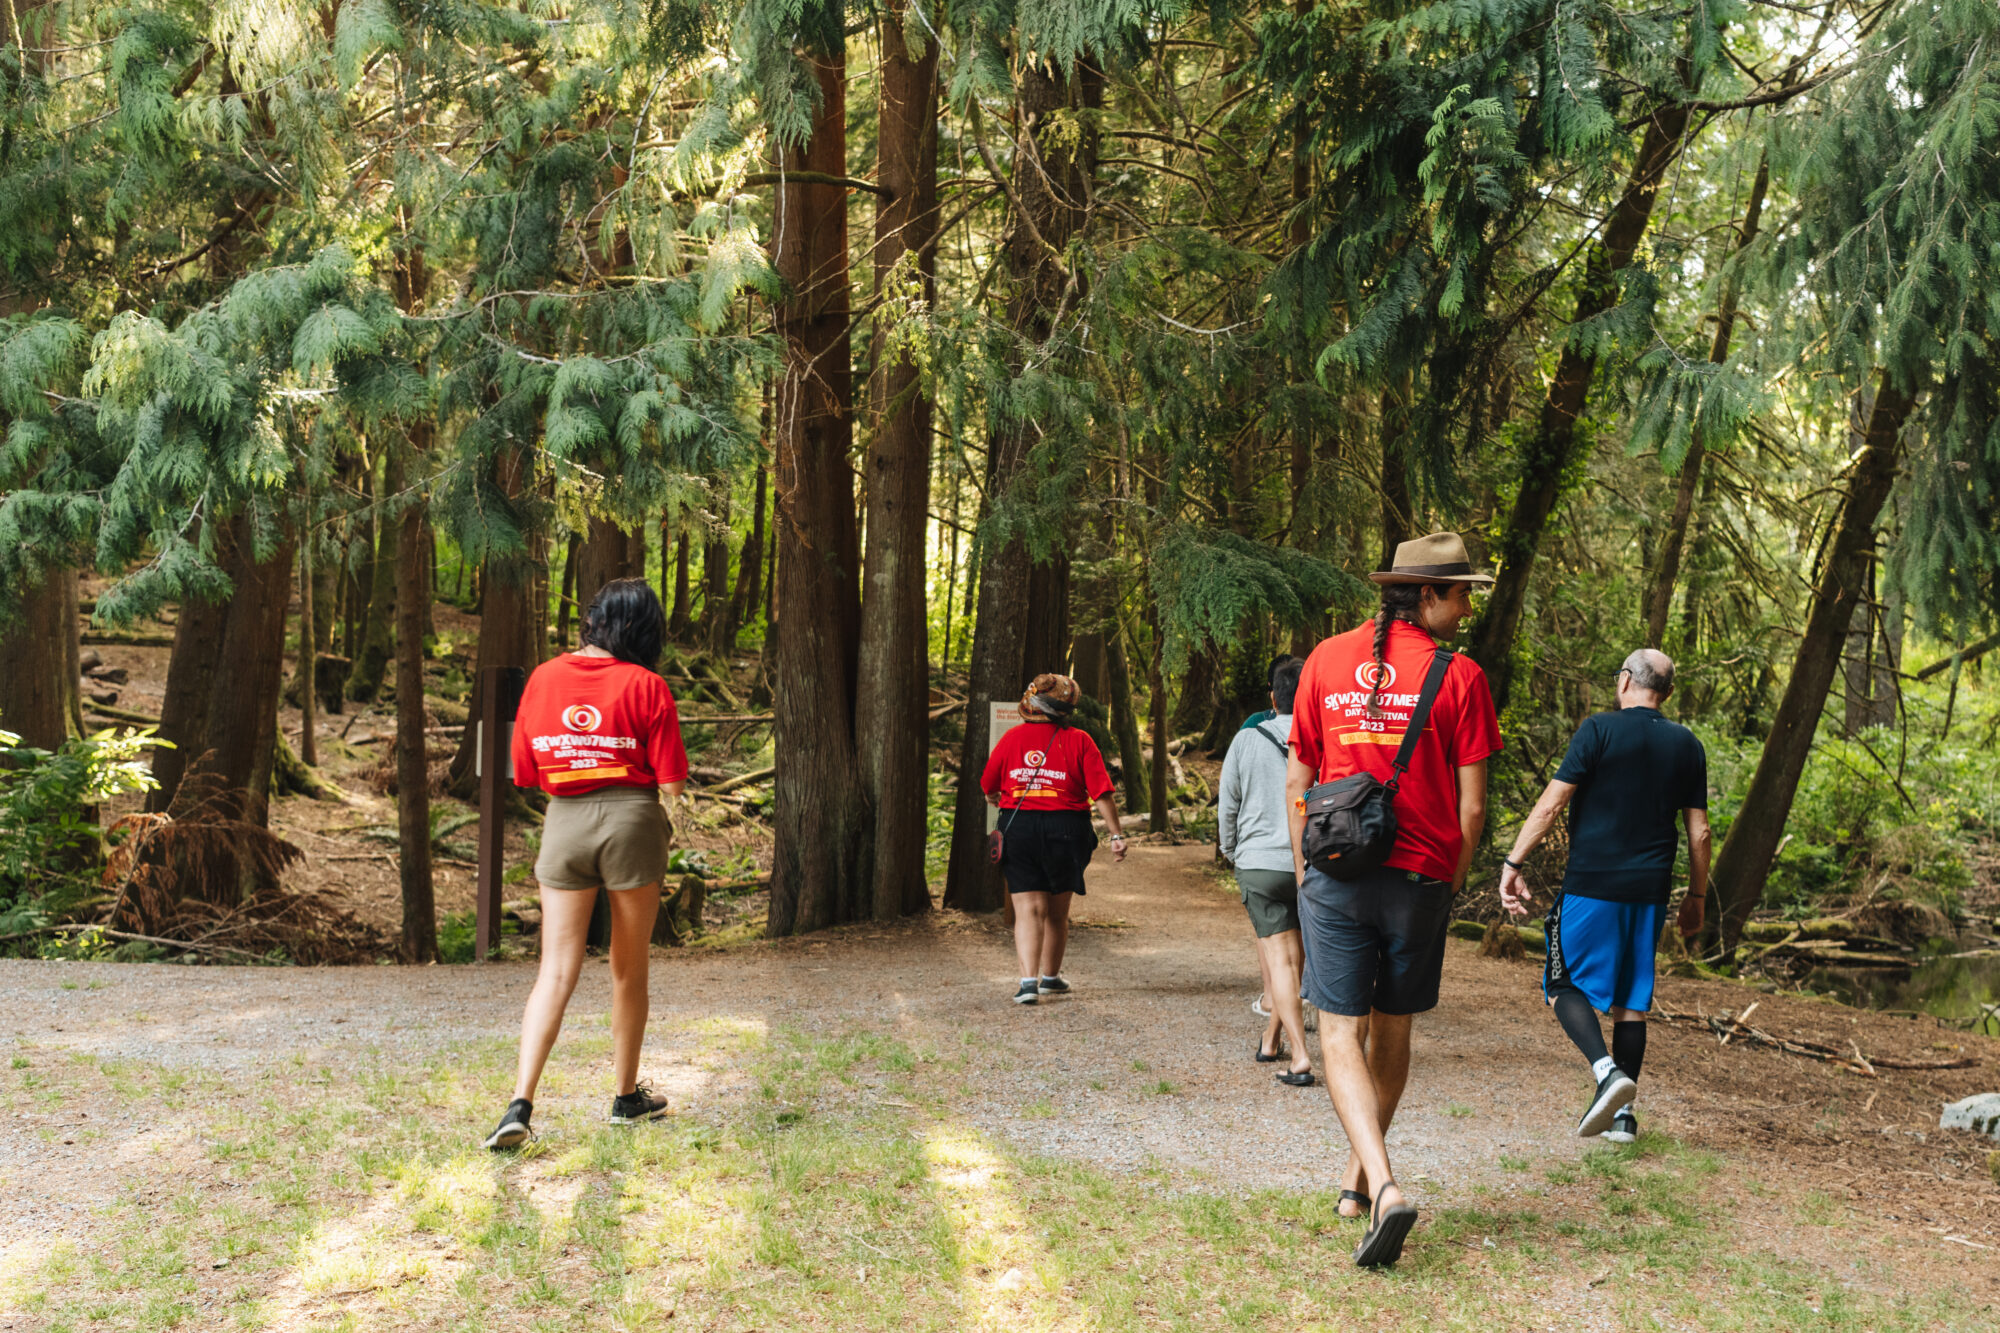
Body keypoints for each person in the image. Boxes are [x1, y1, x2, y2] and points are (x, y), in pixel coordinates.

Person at [1286, 532, 1501, 1267]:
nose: (1468, 607)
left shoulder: (1323, 659)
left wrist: (1302, 871)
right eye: (1463, 592)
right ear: (1429, 594)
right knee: (1393, 1030)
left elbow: (1300, 779)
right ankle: (1367, 1185)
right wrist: (1452, 874)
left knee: (1337, 1033)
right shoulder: (1461, 676)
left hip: (1336, 871)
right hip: (1420, 877)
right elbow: (1472, 810)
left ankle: (1373, 1183)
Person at [482, 577, 690, 1150]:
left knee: (555, 970)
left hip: (565, 820)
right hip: (631, 821)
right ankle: (626, 1098)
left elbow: (524, 772)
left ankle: (519, 1104)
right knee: (629, 966)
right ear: (642, 630)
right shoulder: (649, 685)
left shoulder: (544, 678)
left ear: (594, 621)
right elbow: (671, 780)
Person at [1499, 647, 1711, 1143]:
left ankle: (1605, 1072)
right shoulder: (1687, 744)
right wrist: (1696, 898)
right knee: (1629, 1001)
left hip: (1593, 885)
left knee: (1560, 981)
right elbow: (1699, 833)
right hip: (1650, 892)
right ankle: (1624, 1119)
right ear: (1668, 693)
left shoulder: (1598, 730)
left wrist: (1514, 863)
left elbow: (1551, 806)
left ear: (1623, 682)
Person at [981, 673, 1128, 1005]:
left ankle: (1027, 983)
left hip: (1018, 829)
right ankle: (1050, 978)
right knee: (1057, 913)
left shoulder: (1011, 739)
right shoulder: (1080, 740)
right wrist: (1116, 835)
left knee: (1028, 910)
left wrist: (996, 797)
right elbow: (1102, 793)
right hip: (1067, 829)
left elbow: (988, 783)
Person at [1218, 657, 1314, 1086]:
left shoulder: (1245, 740)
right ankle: (1271, 1038)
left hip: (1258, 863)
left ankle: (1300, 1058)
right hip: (1309, 864)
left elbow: (1229, 804)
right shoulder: (1322, 737)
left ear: (1272, 697)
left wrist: (1231, 850)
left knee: (1281, 962)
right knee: (1294, 960)